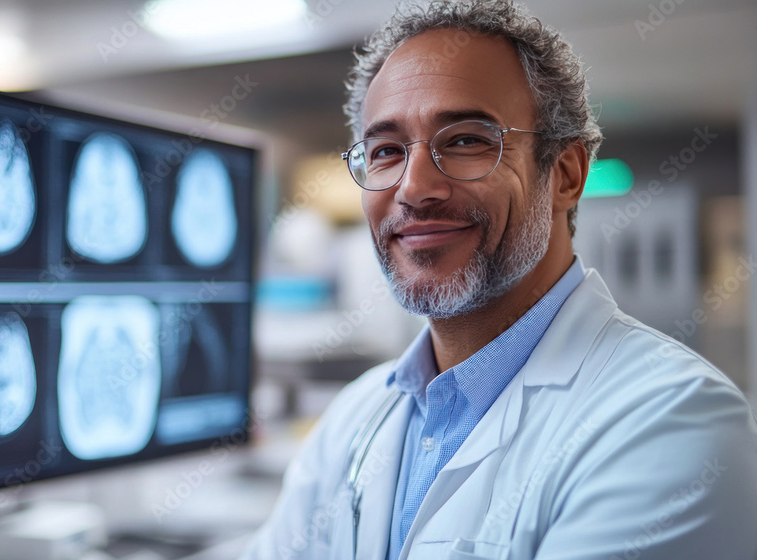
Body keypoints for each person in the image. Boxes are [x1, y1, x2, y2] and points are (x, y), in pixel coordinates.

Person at [243, 1, 757, 559]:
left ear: (565, 175)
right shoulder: (355, 419)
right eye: (386, 151)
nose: (414, 188)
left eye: (466, 140)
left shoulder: (671, 422)